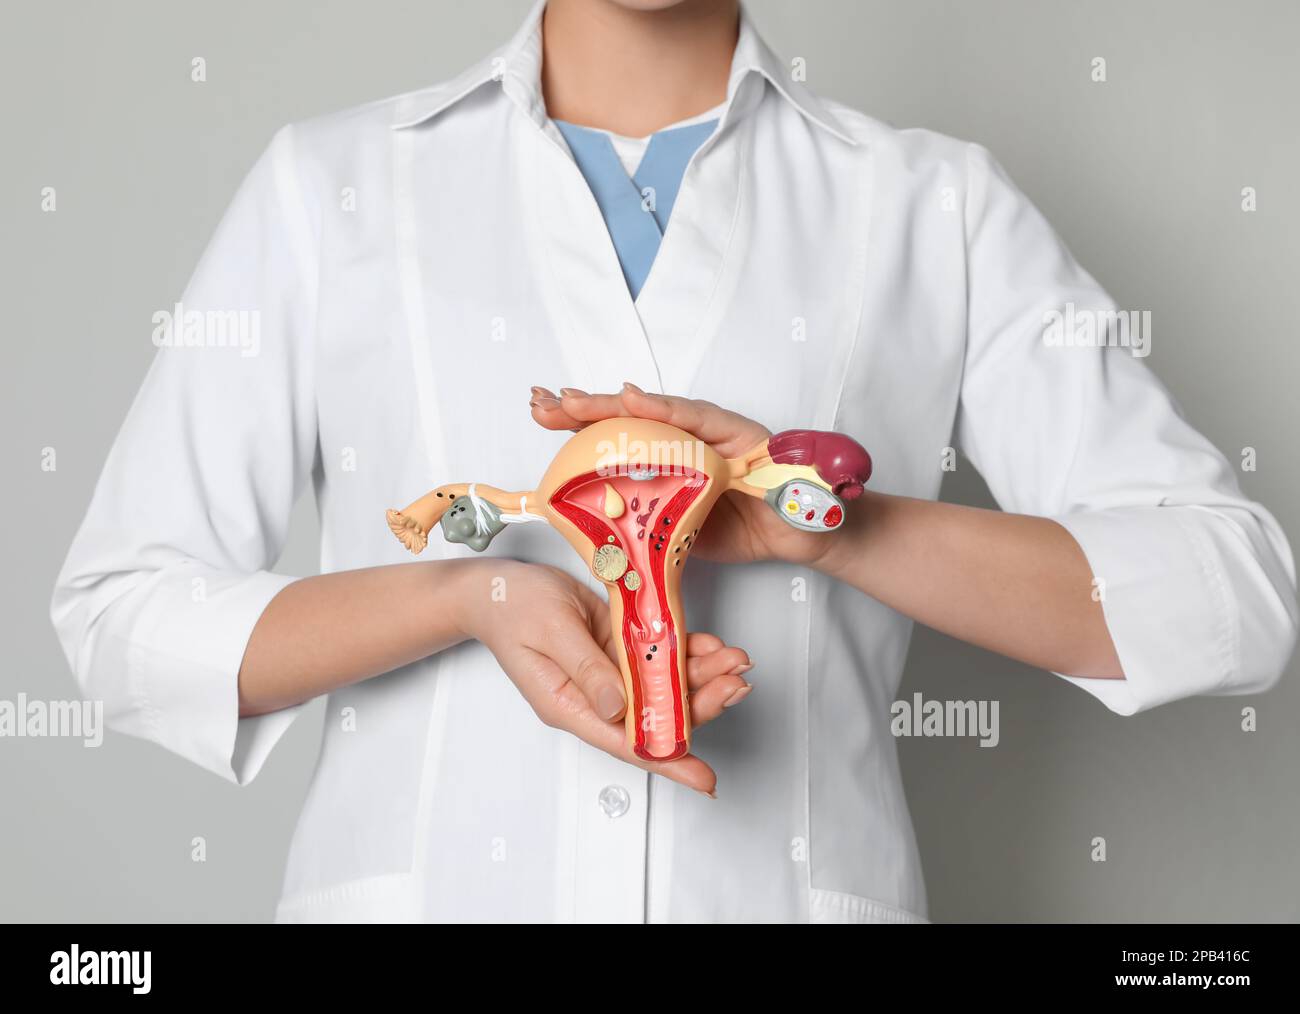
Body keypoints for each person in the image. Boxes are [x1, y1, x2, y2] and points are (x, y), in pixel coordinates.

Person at [51, 0, 1296, 923]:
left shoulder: (932, 205)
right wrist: (465, 596)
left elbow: (1232, 600)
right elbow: (120, 617)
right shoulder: (328, 190)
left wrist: (833, 529)